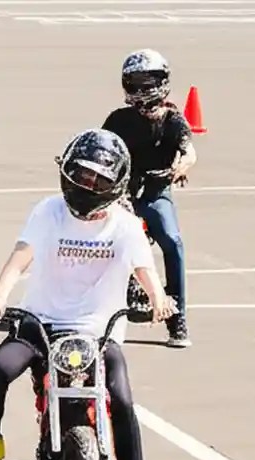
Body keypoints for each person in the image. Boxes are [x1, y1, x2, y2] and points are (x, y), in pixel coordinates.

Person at [0, 128, 175, 460]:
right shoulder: (48, 211)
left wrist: (159, 299)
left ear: (116, 185)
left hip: (98, 332)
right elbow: (21, 257)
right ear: (67, 172)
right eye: (82, 175)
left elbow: (145, 268)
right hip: (41, 323)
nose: (89, 185)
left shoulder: (125, 225)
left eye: (99, 180)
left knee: (122, 401)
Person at [101, 48, 197, 348]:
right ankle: (96, 312)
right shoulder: (118, 120)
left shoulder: (172, 120)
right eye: (136, 81)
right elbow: (101, 148)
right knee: (100, 241)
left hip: (156, 194)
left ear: (163, 81)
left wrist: (185, 163)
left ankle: (177, 317)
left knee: (173, 241)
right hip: (120, 195)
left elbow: (189, 149)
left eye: (149, 81)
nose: (142, 89)